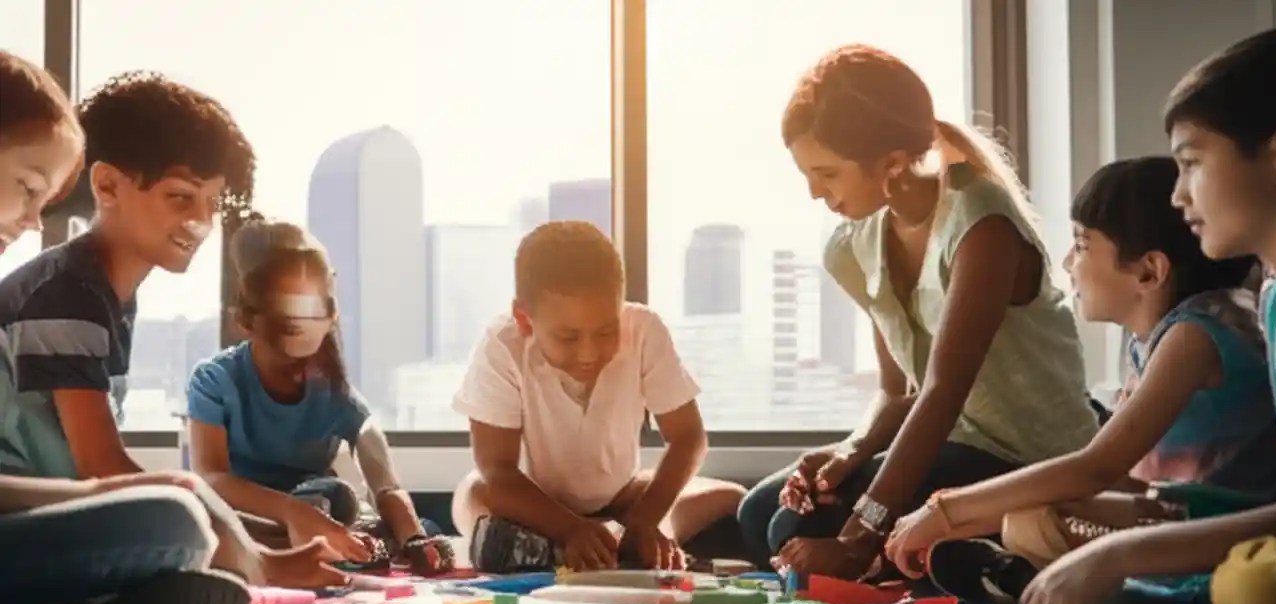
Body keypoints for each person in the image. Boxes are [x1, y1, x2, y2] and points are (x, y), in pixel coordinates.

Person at [737, 43, 1097, 576]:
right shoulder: (852, 246)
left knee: (802, 533)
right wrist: (850, 453)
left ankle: (925, 565)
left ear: (892, 163)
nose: (815, 192)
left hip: (1026, 458)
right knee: (762, 514)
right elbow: (898, 389)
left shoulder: (981, 224)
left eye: (828, 174)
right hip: (950, 443)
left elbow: (943, 392)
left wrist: (861, 535)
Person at [0, 66, 346, 597]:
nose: (201, 223)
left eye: (211, 203)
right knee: (172, 521)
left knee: (198, 514)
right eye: (181, 198)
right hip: (29, 517)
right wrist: (259, 548)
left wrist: (267, 528)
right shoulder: (65, 292)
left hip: (48, 512)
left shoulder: (105, 294)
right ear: (109, 185)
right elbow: (97, 470)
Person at [883, 157, 1276, 601]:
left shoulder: (1194, 336)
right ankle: (1023, 576)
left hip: (1225, 531)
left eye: (1083, 243)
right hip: (1178, 513)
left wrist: (945, 510)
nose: (1069, 261)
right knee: (1029, 517)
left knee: (1041, 518)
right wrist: (949, 521)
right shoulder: (1153, 337)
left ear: (1150, 270)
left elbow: (1097, 466)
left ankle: (1039, 583)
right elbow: (1122, 481)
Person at [1018, 29, 1276, 604]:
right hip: (1228, 530)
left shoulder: (1208, 328)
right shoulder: (1271, 298)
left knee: (1252, 591)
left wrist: (1120, 552)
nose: (1178, 194)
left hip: (1238, 536)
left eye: (1192, 162)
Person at [452, 220, 745, 572]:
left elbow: (688, 437)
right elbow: (498, 469)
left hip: (621, 496)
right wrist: (572, 529)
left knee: (735, 498)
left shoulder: (644, 330)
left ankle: (632, 540)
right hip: (530, 501)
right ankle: (585, 546)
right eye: (568, 337)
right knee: (476, 494)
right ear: (524, 319)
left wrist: (645, 521)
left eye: (606, 330)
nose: (589, 353)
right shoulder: (502, 345)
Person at [187, 217, 452, 575]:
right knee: (196, 518)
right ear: (247, 321)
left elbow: (386, 484)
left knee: (360, 510)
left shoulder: (338, 398)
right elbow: (211, 475)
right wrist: (291, 511)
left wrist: (415, 539)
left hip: (323, 511)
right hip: (243, 519)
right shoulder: (215, 381)